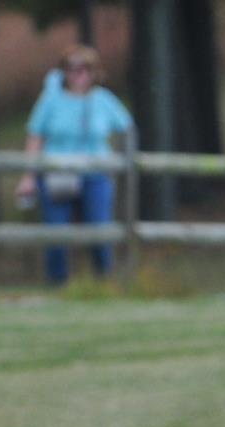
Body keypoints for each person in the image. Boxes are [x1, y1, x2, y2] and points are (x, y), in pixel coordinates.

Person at [15, 46, 135, 286]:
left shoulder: (103, 100)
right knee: (57, 235)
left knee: (100, 233)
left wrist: (121, 165)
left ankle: (104, 284)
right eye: (71, 69)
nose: (78, 74)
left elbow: (127, 130)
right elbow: (35, 137)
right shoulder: (50, 101)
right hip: (56, 174)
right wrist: (28, 176)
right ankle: (57, 286)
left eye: (84, 69)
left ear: (94, 72)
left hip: (96, 175)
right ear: (64, 72)